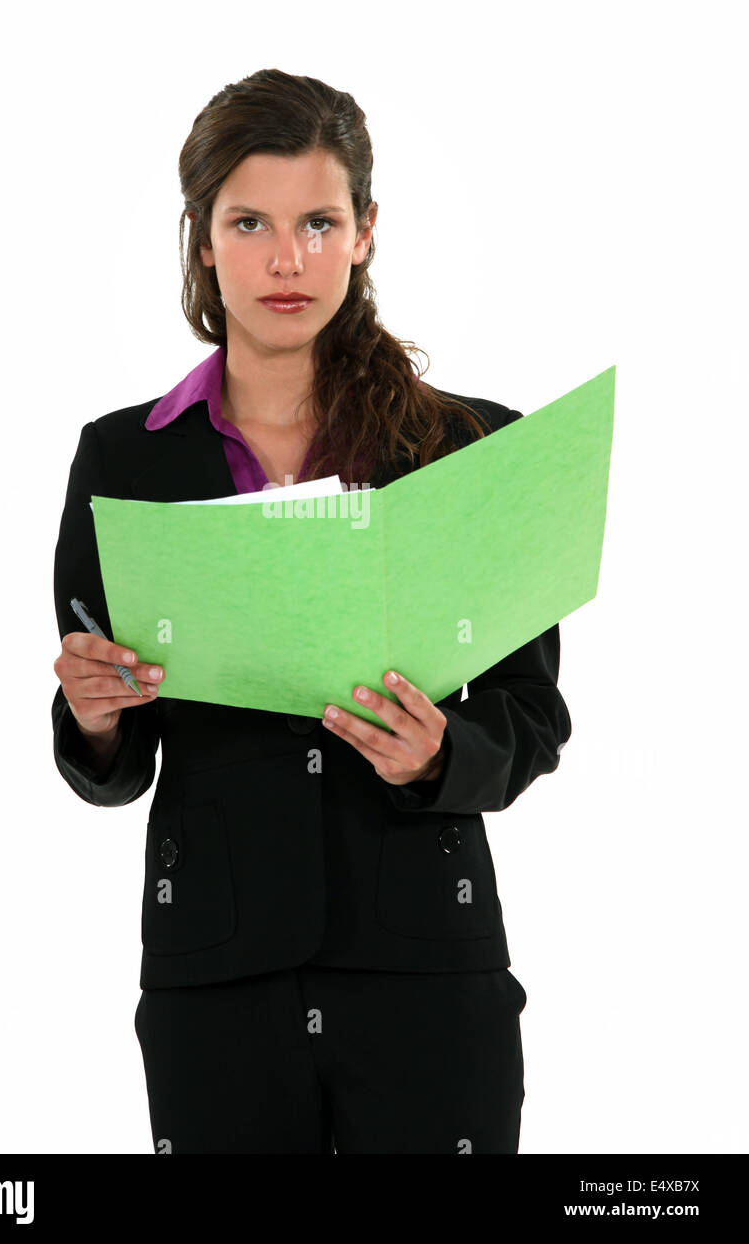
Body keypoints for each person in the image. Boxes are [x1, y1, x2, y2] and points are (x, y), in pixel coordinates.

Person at [51, 67, 572, 1154]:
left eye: (317, 222)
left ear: (364, 232)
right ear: (201, 238)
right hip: (217, 967)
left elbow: (532, 717)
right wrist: (96, 713)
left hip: (423, 955)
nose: (286, 259)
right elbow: (121, 755)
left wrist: (440, 753)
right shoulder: (124, 458)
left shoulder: (466, 449)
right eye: (249, 222)